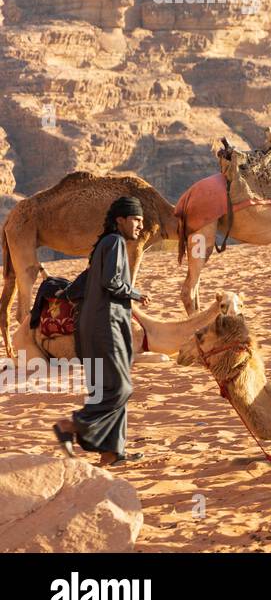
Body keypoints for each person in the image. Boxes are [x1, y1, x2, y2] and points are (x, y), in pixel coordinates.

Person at [52, 196, 151, 467]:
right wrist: (136, 293)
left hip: (91, 327)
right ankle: (70, 425)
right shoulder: (116, 242)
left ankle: (112, 452)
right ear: (120, 220)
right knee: (120, 388)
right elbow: (112, 282)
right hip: (106, 325)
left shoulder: (103, 246)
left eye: (142, 220)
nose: (140, 225)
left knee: (106, 387)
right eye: (136, 219)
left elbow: (84, 284)